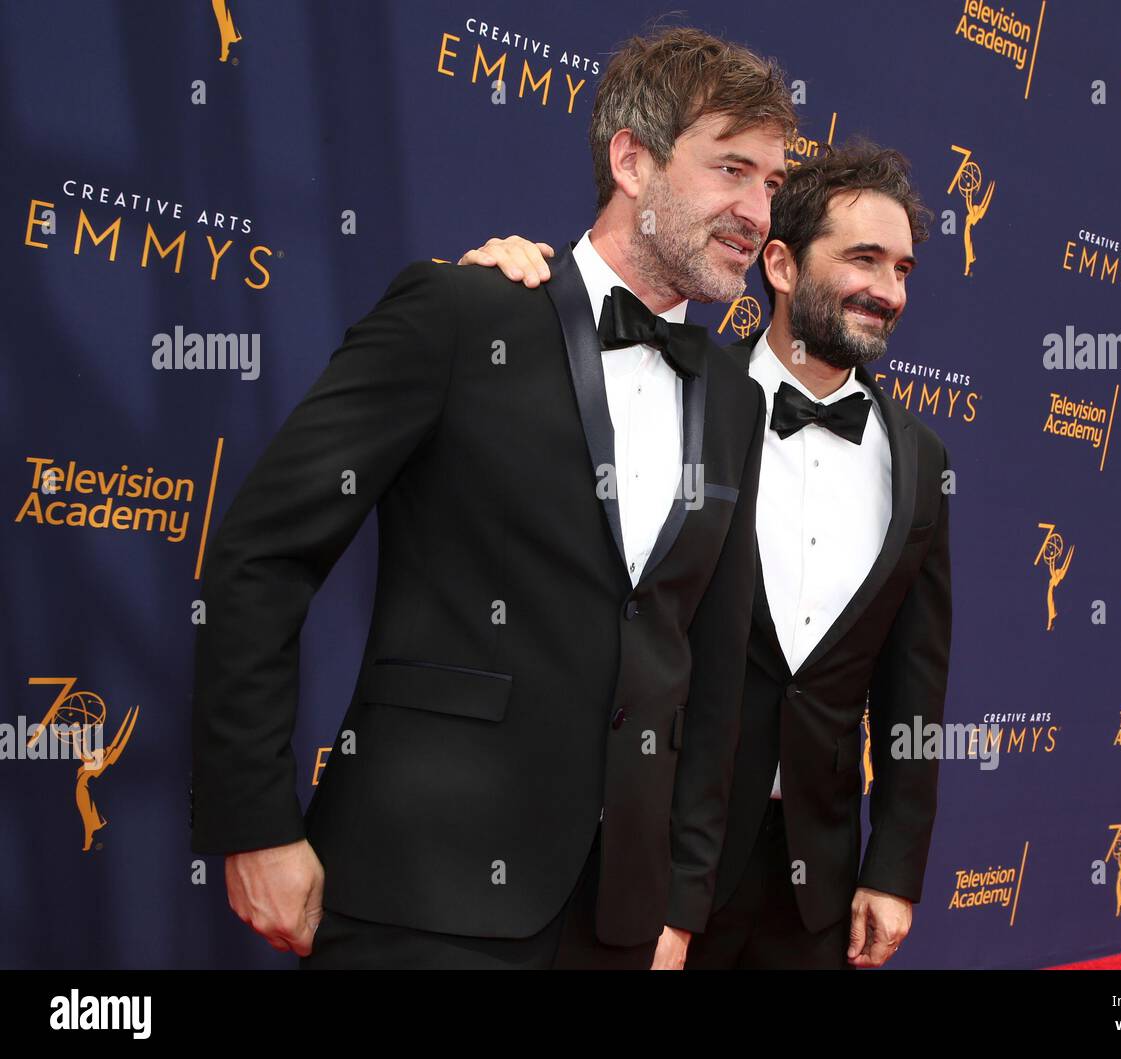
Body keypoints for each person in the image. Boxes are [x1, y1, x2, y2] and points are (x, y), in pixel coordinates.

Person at [189, 26, 797, 970]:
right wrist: (254, 819)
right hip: (420, 895)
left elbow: (712, 673)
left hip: (621, 922)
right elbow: (261, 557)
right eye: (732, 169)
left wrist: (682, 897)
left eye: (771, 182)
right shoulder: (464, 314)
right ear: (632, 161)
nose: (759, 211)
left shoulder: (735, 403)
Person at [460, 139, 952, 969]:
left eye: (903, 268)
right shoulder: (677, 395)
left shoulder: (923, 461)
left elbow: (915, 682)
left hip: (819, 887)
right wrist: (492, 285)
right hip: (650, 860)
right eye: (864, 258)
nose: (888, 290)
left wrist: (896, 866)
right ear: (782, 265)